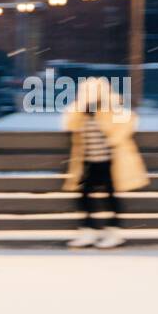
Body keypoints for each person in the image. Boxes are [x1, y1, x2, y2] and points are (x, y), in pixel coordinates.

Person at [62, 77, 149, 249]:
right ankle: (89, 230)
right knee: (84, 196)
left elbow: (129, 121)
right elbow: (69, 124)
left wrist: (113, 138)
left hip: (109, 163)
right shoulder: (81, 112)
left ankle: (113, 232)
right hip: (88, 163)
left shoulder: (110, 109)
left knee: (110, 197)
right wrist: (82, 109)